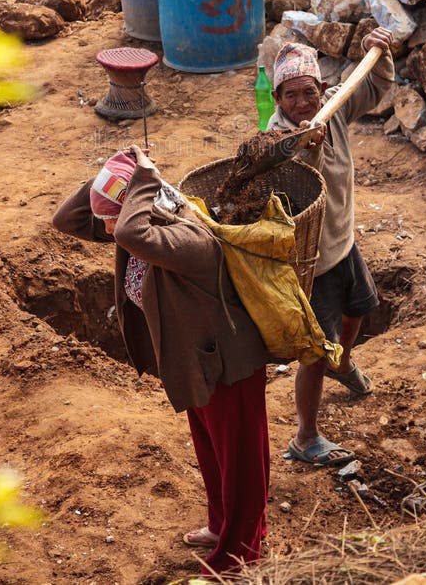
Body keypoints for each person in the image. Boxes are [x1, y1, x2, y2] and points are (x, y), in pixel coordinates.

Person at [52, 144, 272, 576]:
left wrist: (143, 178)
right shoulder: (137, 227)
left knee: (241, 461)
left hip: (229, 363)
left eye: (113, 216)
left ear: (143, 202)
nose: (108, 228)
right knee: (211, 451)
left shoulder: (187, 238)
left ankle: (239, 555)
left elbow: (130, 234)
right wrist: (110, 172)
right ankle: (220, 525)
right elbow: (66, 220)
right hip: (193, 359)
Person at [267, 27, 395, 466]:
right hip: (309, 262)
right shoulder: (276, 140)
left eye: (309, 92)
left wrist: (377, 52)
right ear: (277, 99)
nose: (302, 103)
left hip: (343, 240)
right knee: (315, 354)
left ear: (322, 89)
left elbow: (376, 88)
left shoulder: (334, 108)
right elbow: (303, 193)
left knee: (360, 308)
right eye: (290, 96)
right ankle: (304, 437)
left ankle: (344, 363)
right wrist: (308, 147)